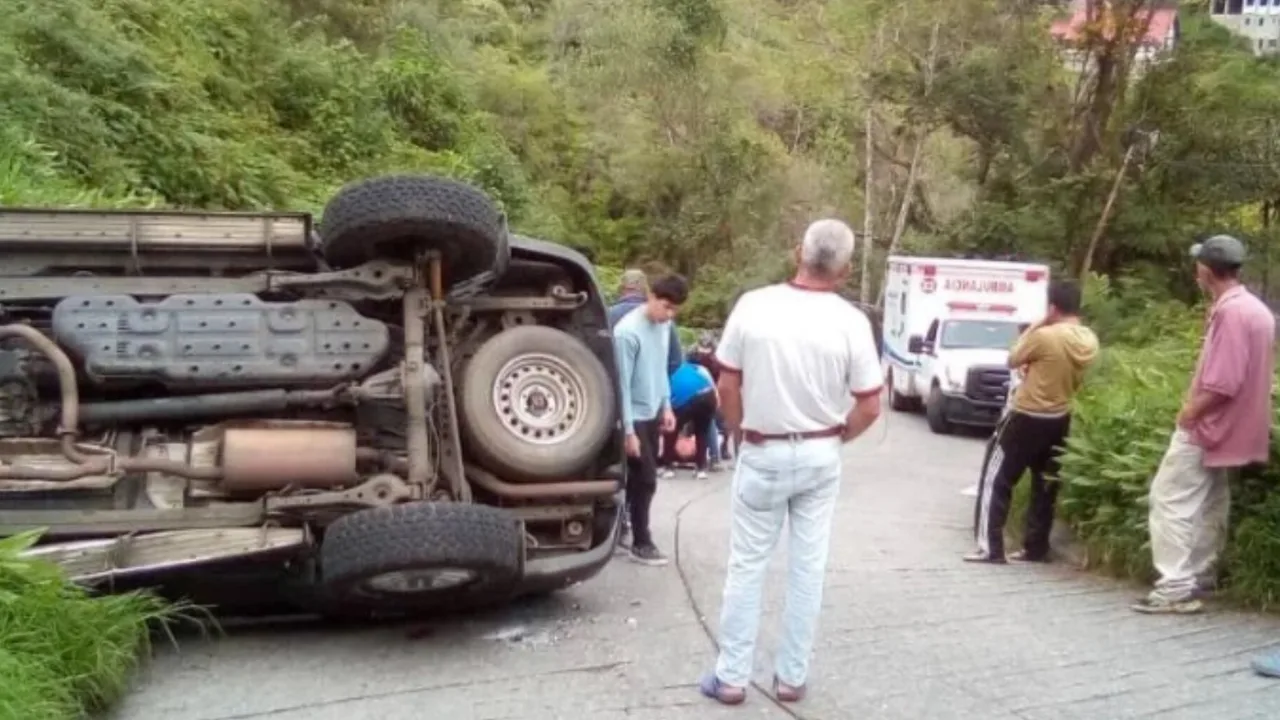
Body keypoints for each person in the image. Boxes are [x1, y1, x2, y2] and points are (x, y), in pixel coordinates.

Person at [698, 219, 883, 706]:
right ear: (844, 270)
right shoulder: (852, 322)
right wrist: (837, 435)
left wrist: (738, 431)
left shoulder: (754, 306)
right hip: (821, 454)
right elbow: (869, 404)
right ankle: (791, 678)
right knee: (808, 567)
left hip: (763, 449)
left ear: (798, 250)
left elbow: (727, 385)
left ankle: (732, 677)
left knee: (747, 565)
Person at [1134, 235, 1275, 615]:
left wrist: (1191, 412)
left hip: (1209, 426)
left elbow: (1223, 382)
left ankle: (1175, 587)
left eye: (1198, 264)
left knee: (1170, 497)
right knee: (1212, 500)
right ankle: (1200, 574)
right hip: (1237, 428)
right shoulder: (1257, 309)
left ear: (1206, 270)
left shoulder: (1231, 312)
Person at [967, 281, 1098, 564]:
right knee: (1046, 483)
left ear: (1052, 308)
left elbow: (1013, 358)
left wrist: (1037, 324)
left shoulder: (1046, 336)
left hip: (1026, 415)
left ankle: (990, 547)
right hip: (1060, 416)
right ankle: (1036, 547)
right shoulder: (1089, 340)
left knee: (997, 478)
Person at [613, 273, 688, 566]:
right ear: (652, 297)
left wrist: (667, 406)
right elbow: (621, 385)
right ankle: (641, 541)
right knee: (645, 479)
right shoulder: (626, 333)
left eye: (674, 310)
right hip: (632, 415)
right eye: (665, 306)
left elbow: (659, 369)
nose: (668, 314)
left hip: (653, 409)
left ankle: (624, 528)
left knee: (638, 478)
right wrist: (628, 431)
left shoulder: (664, 326)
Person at [609, 269, 682, 374]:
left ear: (622, 289)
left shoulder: (608, 315)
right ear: (645, 290)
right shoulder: (664, 321)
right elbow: (675, 361)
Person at [659, 360, 718, 479]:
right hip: (709, 395)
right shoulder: (691, 367)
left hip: (687, 397)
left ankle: (668, 467)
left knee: (671, 429)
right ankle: (701, 469)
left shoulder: (665, 374)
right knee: (702, 431)